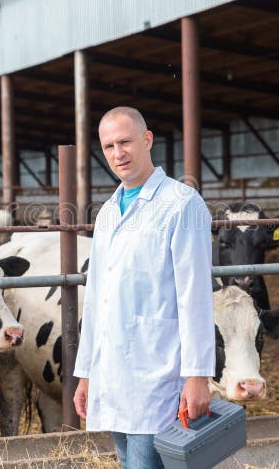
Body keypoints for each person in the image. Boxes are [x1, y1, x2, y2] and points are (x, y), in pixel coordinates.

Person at [73, 106, 215, 468]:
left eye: (125, 142)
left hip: (158, 374)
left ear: (147, 139)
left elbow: (195, 297)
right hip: (113, 375)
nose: (117, 153)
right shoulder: (106, 213)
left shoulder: (182, 204)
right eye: (108, 146)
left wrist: (198, 376)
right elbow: (96, 300)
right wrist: (87, 373)